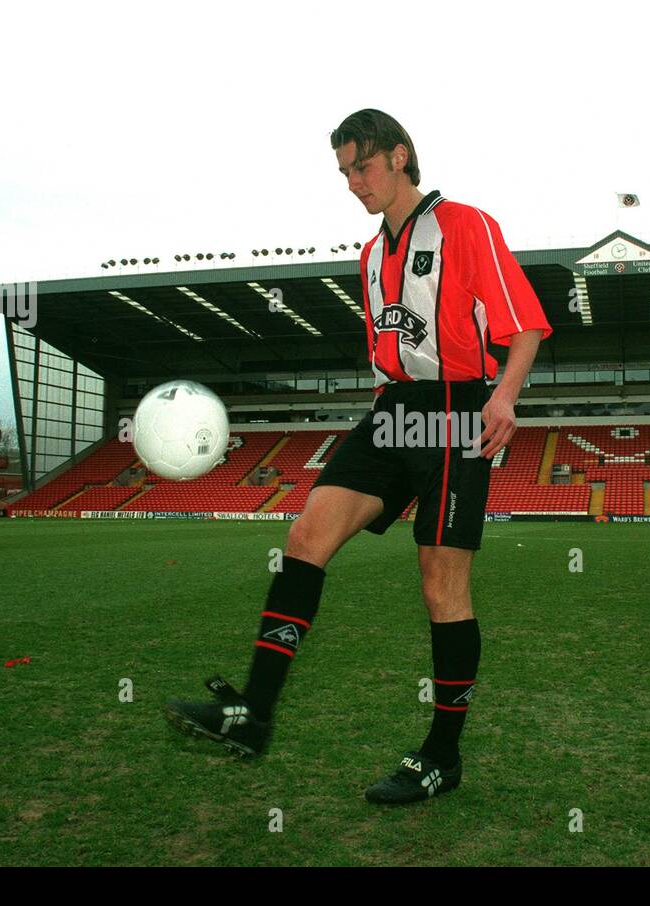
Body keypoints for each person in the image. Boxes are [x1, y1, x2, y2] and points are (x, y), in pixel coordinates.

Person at [164, 108, 550, 804]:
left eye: (361, 166)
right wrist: (381, 413)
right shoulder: (371, 256)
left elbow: (524, 327)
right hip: (395, 411)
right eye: (343, 170)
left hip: (460, 410)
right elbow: (388, 351)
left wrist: (505, 399)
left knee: (441, 584)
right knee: (306, 535)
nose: (352, 182)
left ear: (400, 157)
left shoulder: (465, 225)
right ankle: (253, 711)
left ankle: (442, 756)